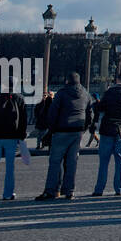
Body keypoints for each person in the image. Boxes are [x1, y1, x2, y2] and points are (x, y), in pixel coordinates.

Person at [37, 73, 92, 201]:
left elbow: (53, 113)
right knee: (72, 162)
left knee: (55, 162)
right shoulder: (85, 93)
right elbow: (90, 113)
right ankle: (69, 191)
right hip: (77, 131)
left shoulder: (62, 93)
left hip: (61, 130)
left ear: (67, 81)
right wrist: (84, 128)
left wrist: (51, 129)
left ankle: (52, 190)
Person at [91, 72, 121, 196]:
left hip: (108, 128)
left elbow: (100, 108)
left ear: (117, 80)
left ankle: (99, 189)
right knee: (120, 162)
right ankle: (119, 188)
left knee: (104, 161)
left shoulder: (110, 93)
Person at [0, 88, 27, 200]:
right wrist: (21, 135)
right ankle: (8, 193)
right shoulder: (19, 98)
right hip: (12, 136)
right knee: (10, 167)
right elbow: (23, 119)